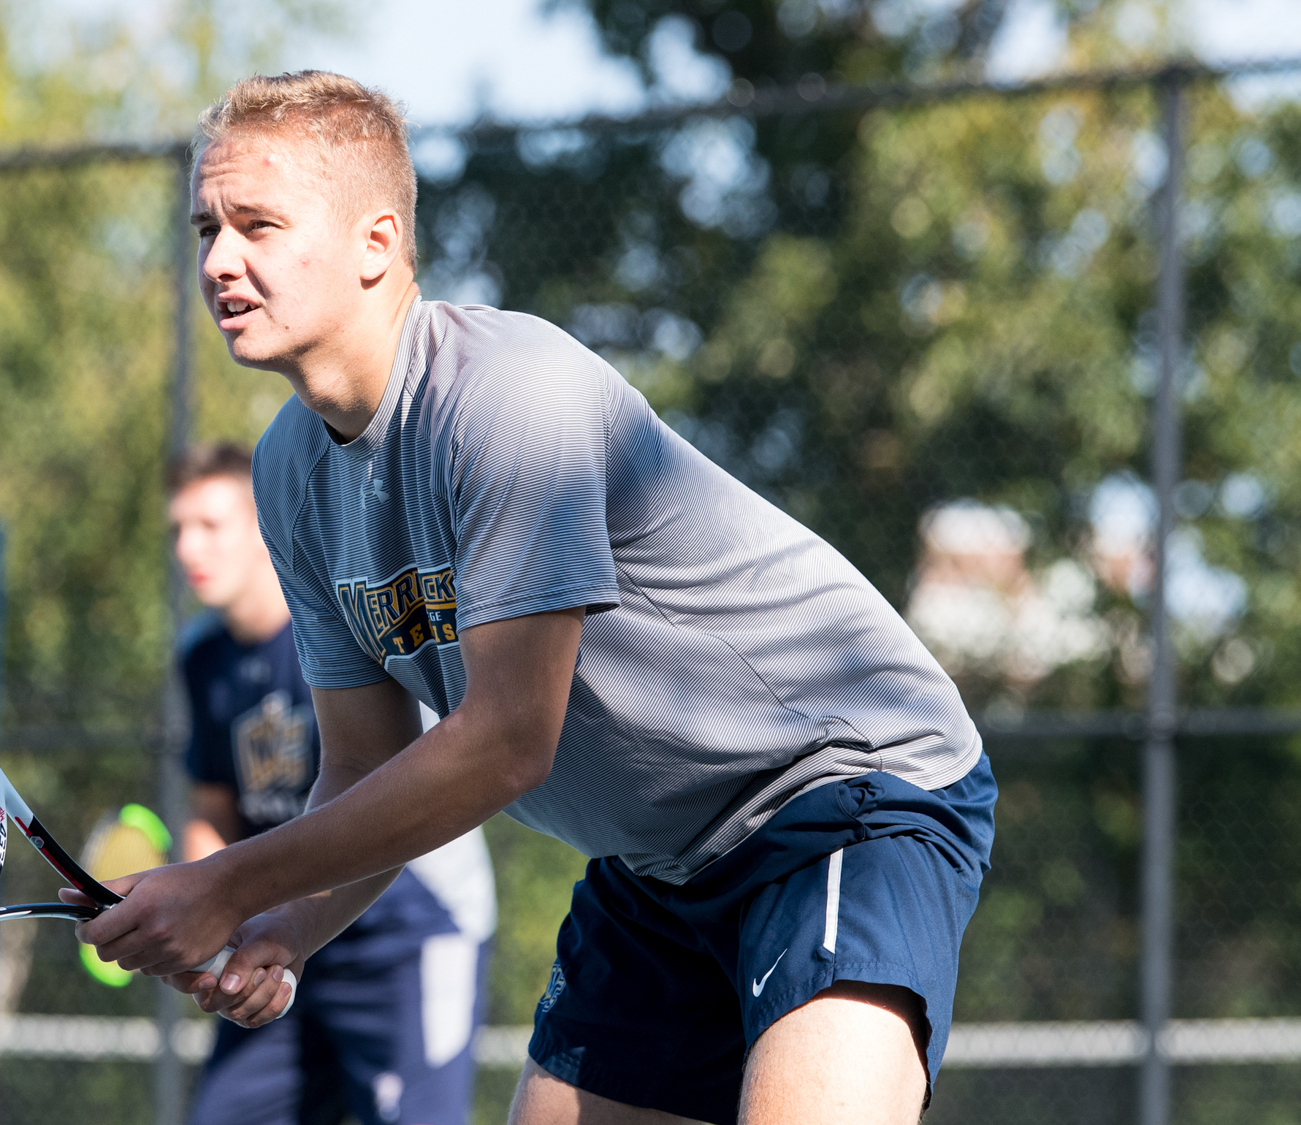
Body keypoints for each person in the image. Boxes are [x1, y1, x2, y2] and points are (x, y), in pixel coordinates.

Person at [73, 71, 995, 1125]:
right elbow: (364, 768)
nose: (218, 259)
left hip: (845, 796)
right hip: (659, 864)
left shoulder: (510, 396)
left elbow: (508, 742)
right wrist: (283, 926)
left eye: (258, 225)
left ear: (377, 244)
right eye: (205, 227)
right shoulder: (288, 472)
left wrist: (226, 885)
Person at [166, 442, 495, 1125]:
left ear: (262, 528)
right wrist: (197, 905)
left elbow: (393, 786)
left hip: (406, 928)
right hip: (278, 941)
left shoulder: (343, 628)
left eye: (210, 524)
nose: (188, 545)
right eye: (177, 528)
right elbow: (213, 811)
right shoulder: (202, 657)